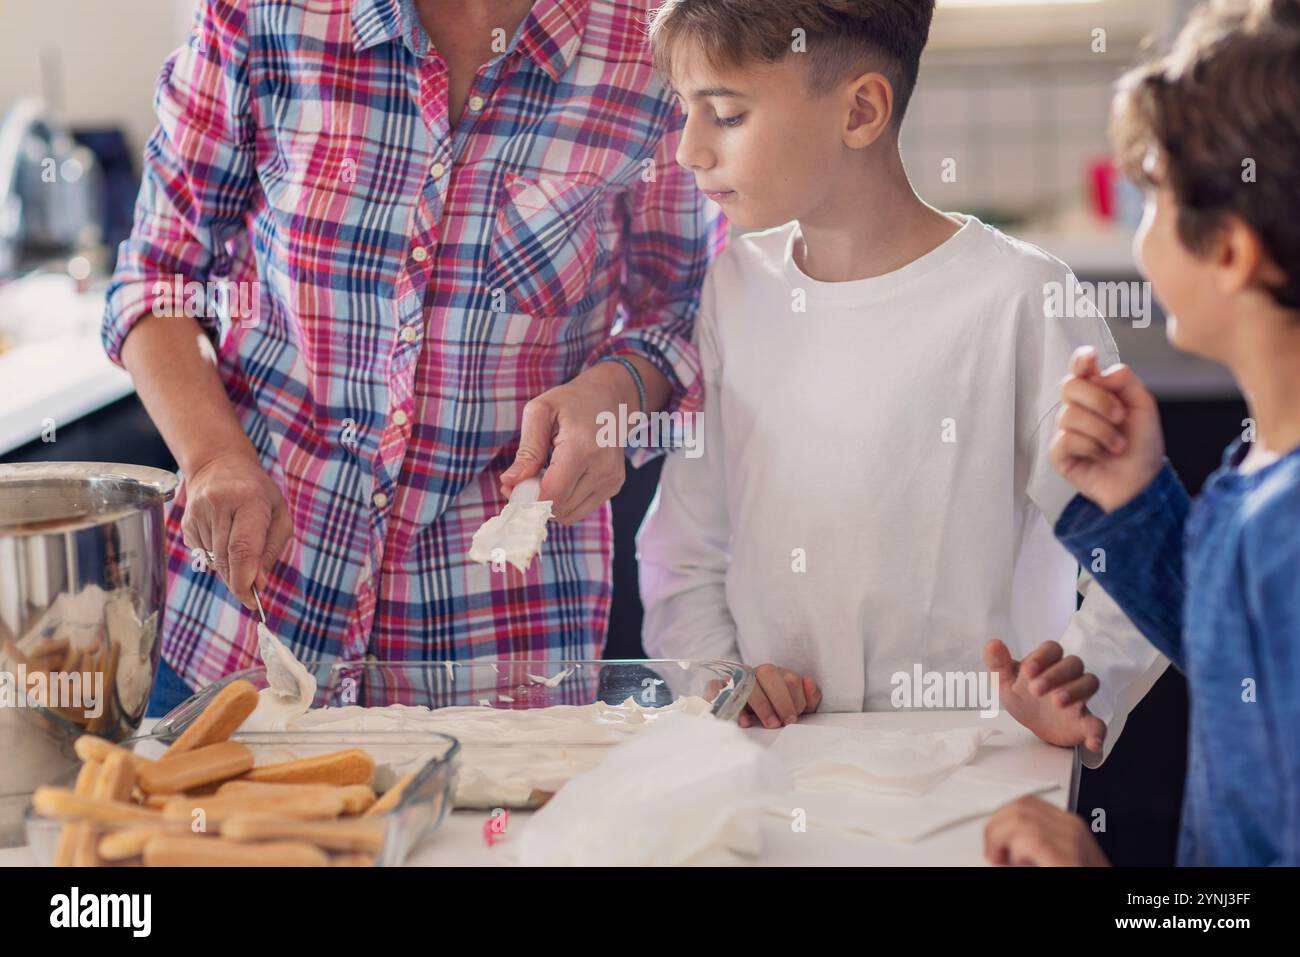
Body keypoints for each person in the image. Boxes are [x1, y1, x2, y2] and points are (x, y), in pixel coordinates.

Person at [103, 0, 726, 715]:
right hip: (236, 641)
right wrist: (213, 455)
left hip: (502, 670)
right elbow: (156, 275)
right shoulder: (266, 15)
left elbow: (679, 313)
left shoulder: (651, 39)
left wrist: (617, 392)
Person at [636, 0, 1165, 760]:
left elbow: (1132, 540)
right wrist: (722, 676)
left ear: (860, 111)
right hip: (777, 759)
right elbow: (684, 549)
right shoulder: (733, 290)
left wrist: (1079, 687)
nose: (688, 149)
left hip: (978, 762)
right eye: (683, 110)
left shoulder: (1019, 299)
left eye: (724, 114)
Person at [986, 0, 1300, 866]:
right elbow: (1226, 644)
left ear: (1230, 253)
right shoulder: (1267, 467)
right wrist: (1133, 498)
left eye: (1152, 194)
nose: (1137, 227)